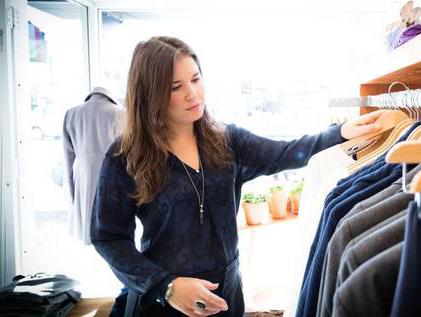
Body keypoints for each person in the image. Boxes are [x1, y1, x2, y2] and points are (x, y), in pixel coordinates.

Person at [90, 36, 384, 317]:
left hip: (226, 298)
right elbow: (108, 237)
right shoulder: (126, 156)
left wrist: (341, 133)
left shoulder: (227, 141)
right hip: (162, 305)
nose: (193, 93)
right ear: (151, 94)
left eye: (195, 79)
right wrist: (166, 286)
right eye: (175, 86)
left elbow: (288, 152)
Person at [63, 86, 123, 245]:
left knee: (90, 228)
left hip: (83, 177)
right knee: (112, 232)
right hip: (112, 177)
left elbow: (68, 159)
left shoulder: (71, 114)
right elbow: (127, 155)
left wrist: (73, 194)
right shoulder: (119, 113)